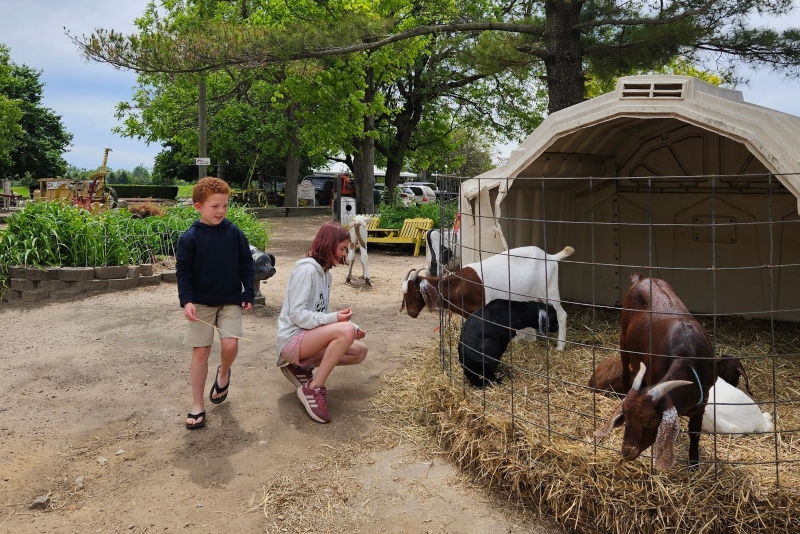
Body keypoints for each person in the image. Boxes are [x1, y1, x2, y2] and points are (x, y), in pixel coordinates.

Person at [176, 177, 255, 430]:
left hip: (230, 300)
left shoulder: (234, 233)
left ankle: (223, 373)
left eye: (225, 206)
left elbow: (247, 264)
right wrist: (186, 300)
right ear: (199, 207)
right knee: (201, 351)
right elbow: (183, 272)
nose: (221, 211)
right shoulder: (190, 238)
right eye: (215, 206)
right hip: (201, 304)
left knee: (230, 344)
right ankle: (197, 404)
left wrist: (248, 293)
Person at [276, 222, 368, 423]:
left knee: (360, 351)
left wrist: (352, 327)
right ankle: (313, 388)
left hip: (307, 338)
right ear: (328, 244)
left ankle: (300, 367)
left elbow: (319, 313)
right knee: (343, 331)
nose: (344, 254)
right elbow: (298, 315)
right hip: (292, 339)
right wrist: (337, 321)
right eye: (342, 248)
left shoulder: (326, 274)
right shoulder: (307, 270)